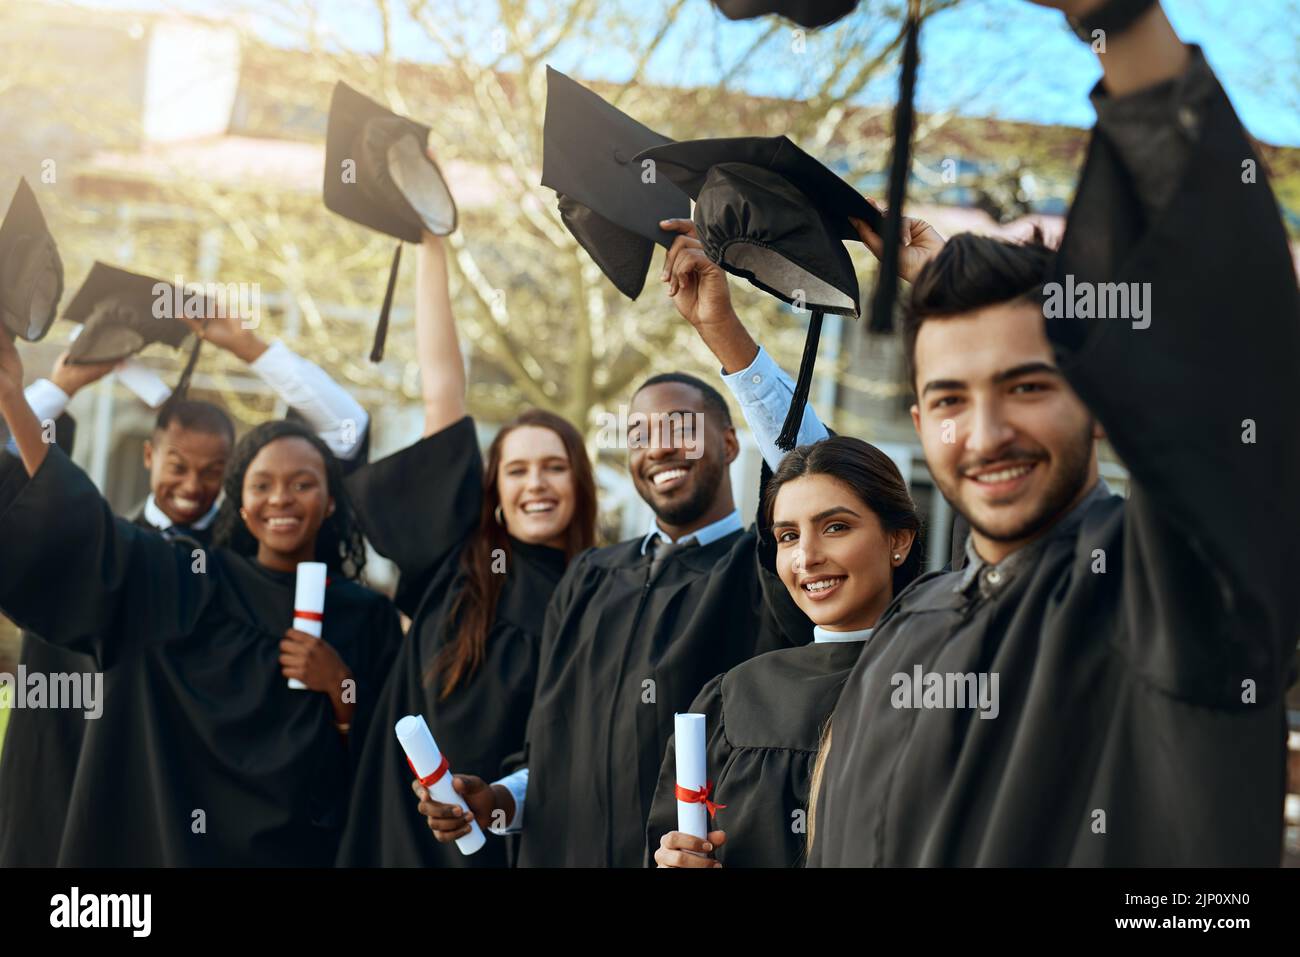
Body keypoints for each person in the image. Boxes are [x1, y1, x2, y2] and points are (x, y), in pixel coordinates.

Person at [806, 0, 1300, 865]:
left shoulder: (1164, 587)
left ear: (1104, 396)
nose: (987, 431)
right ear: (921, 422)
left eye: (1028, 384)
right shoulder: (910, 621)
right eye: (952, 398)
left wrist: (1117, 18)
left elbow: (1230, 338)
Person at [0, 335, 400, 866]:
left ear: (331, 501)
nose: (280, 498)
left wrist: (341, 687)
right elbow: (74, 519)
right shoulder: (191, 578)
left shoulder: (362, 614)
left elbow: (392, 760)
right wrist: (16, 397)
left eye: (302, 484)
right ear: (243, 499)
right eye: (263, 485)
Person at [414, 363, 823, 866]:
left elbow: (809, 466)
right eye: (639, 436)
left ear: (731, 443)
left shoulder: (762, 575)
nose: (658, 448)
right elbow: (548, 751)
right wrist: (497, 802)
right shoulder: (589, 576)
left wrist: (729, 342)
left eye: (679, 428)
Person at [336, 229, 597, 868]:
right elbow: (442, 390)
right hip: (395, 836)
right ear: (496, 490)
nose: (535, 483)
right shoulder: (456, 553)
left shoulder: (600, 593)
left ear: (580, 483)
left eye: (554, 468)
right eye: (517, 471)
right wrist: (431, 241)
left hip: (507, 846)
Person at [648, 435, 921, 867]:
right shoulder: (733, 698)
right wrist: (672, 860)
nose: (806, 557)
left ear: (898, 540)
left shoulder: (940, 685)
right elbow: (666, 844)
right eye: (788, 536)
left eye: (835, 527)